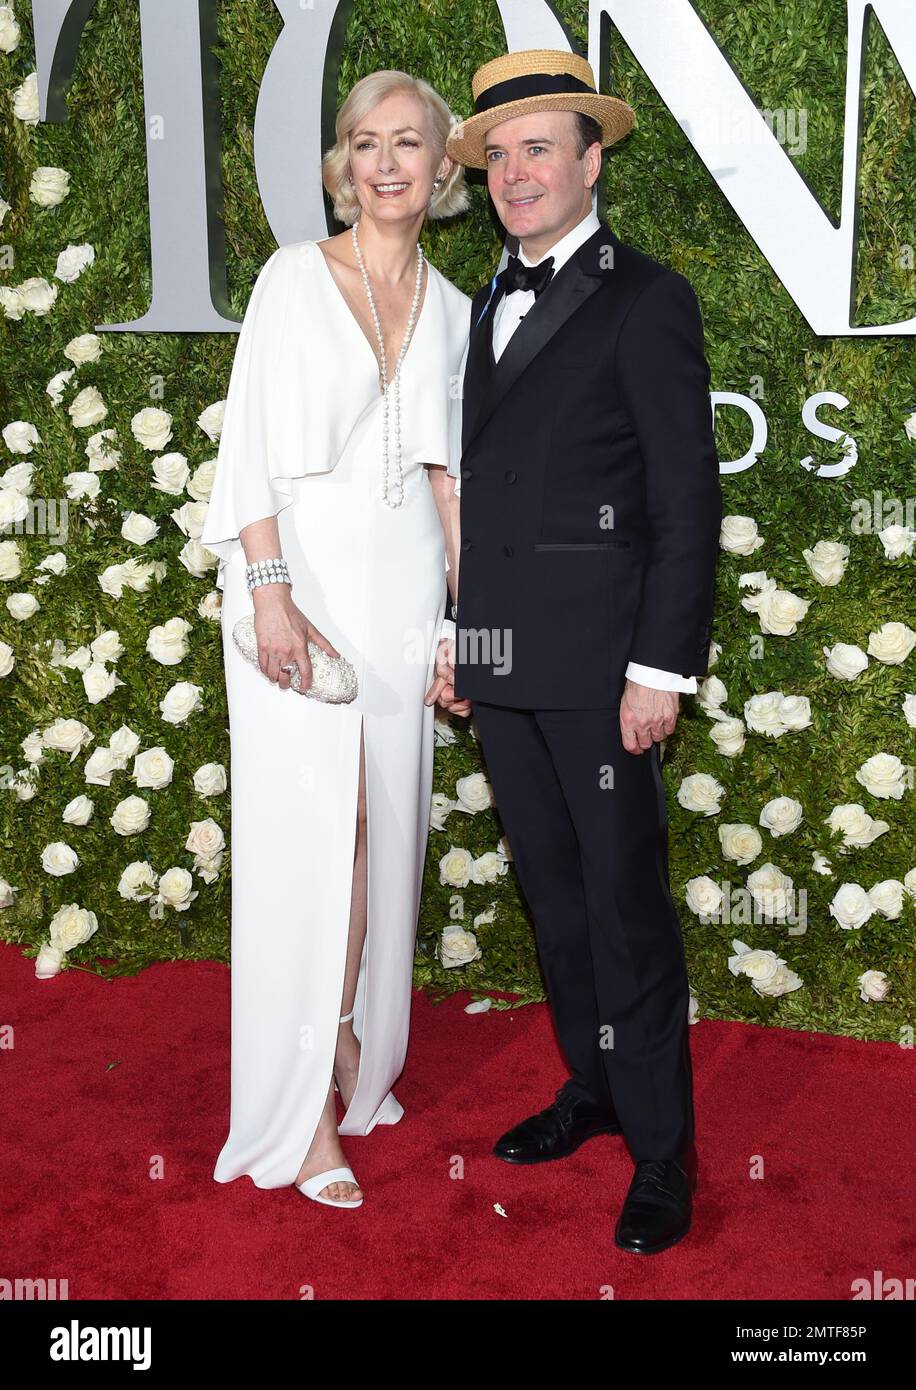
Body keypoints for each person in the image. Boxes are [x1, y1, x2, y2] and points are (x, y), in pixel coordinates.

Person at [436, 50, 722, 1253]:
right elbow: (486, 505)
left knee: (624, 912)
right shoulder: (485, 302)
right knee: (554, 905)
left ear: (591, 160)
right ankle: (593, 1089)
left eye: (538, 148)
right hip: (506, 675)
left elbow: (684, 501)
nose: (514, 173)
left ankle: (663, 1150)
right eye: (497, 156)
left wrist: (659, 671)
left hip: (606, 683)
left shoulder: (645, 297)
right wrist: (462, 642)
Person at [200, 70, 471, 1207]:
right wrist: (268, 594)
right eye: (366, 143)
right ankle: (299, 1101)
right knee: (307, 827)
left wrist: (467, 623)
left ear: (442, 166)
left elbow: (454, 477)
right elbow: (252, 442)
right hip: (297, 572)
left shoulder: (458, 308)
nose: (388, 162)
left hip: (403, 582)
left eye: (409, 142)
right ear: (342, 166)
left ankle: (350, 1039)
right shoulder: (289, 278)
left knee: (375, 823)